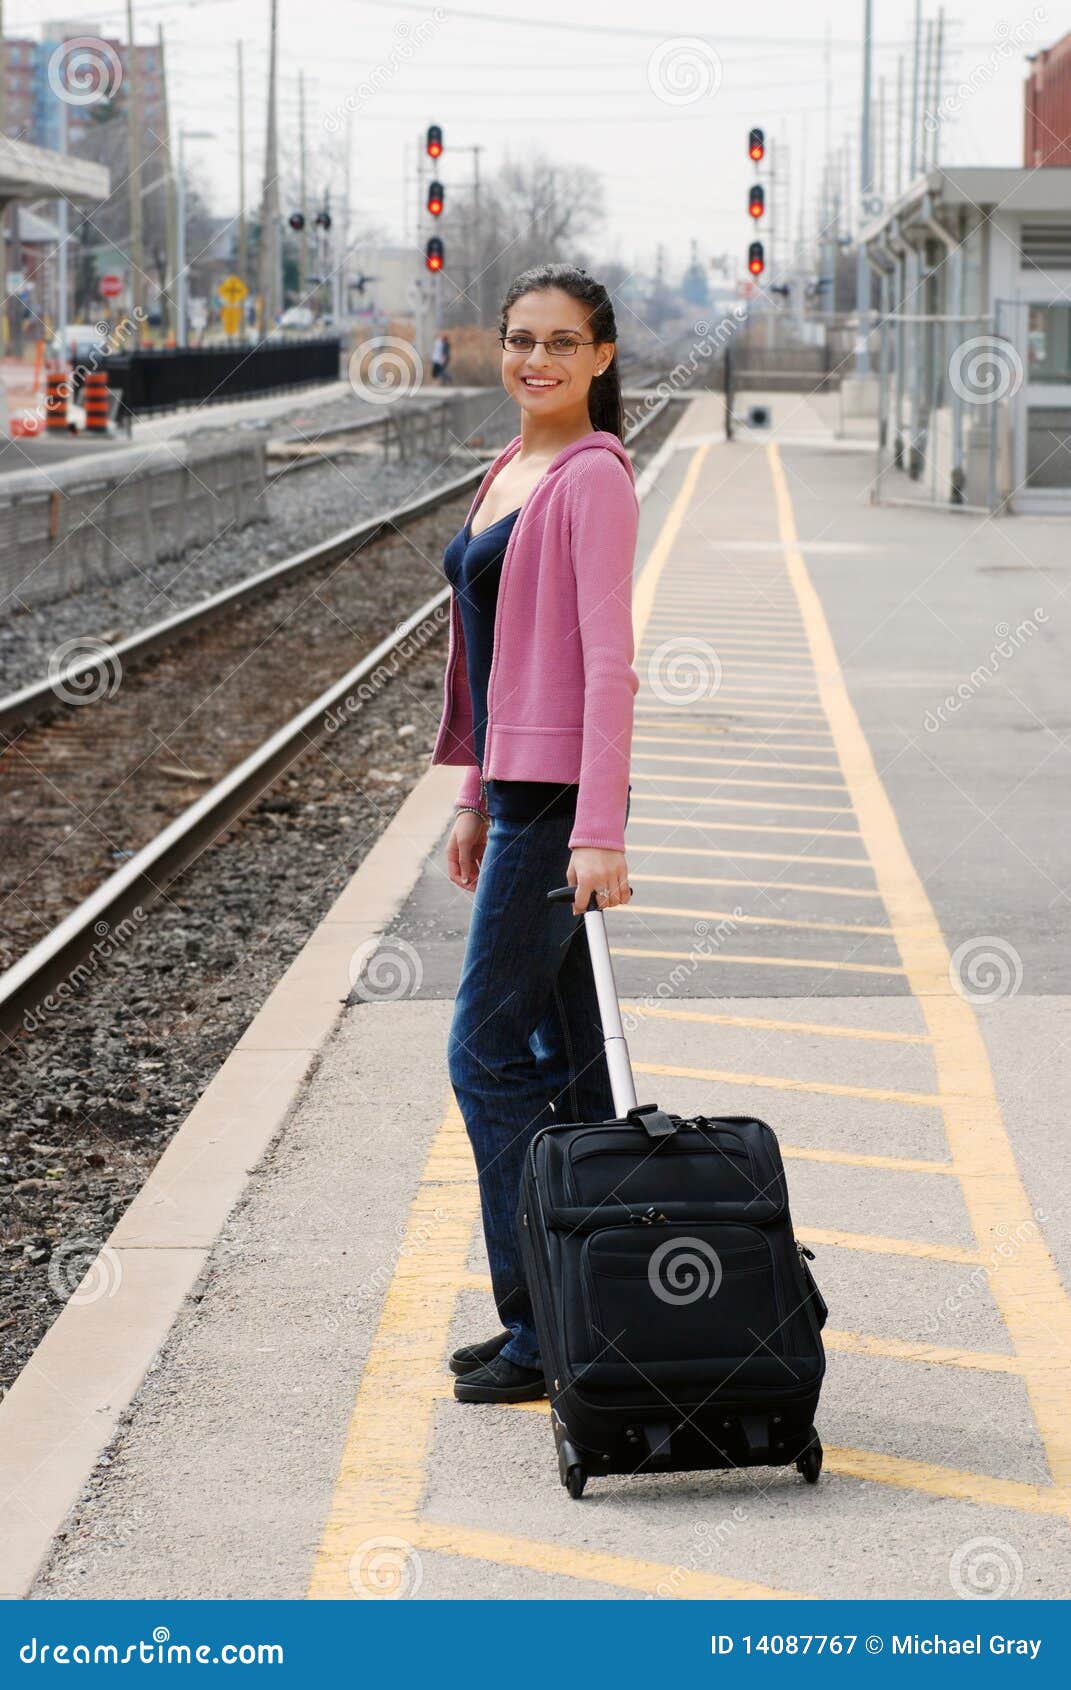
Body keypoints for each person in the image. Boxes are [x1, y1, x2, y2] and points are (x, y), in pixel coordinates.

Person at [430, 263, 638, 1404]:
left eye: (564, 341)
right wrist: (471, 790)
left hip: (562, 805)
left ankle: (540, 1327)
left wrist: (596, 829)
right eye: (521, 339)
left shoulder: (595, 478)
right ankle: (592, 1305)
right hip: (517, 792)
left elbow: (609, 663)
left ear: (602, 358)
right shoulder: (510, 466)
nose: (538, 359)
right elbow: (483, 643)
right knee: (578, 1077)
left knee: (485, 1054)